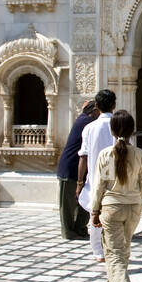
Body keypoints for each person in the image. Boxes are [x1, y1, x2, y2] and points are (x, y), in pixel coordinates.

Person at [90, 110, 142, 282]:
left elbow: (99, 185)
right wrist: (136, 199)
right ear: (132, 131)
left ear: (113, 131)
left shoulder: (106, 154)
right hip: (133, 207)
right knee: (122, 250)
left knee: (114, 253)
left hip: (112, 207)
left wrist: (94, 210)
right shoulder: (140, 154)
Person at [77, 89, 117, 261]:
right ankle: (113, 249)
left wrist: (79, 182)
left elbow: (83, 157)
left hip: (95, 176)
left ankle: (98, 252)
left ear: (97, 106)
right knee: (115, 215)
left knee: (96, 212)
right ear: (114, 105)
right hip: (116, 177)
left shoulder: (89, 128)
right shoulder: (118, 125)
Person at [57, 99, 97, 239]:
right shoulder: (86, 122)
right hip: (70, 167)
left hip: (82, 169)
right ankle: (68, 232)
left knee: (85, 201)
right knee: (68, 204)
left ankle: (80, 228)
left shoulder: (85, 120)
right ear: (94, 111)